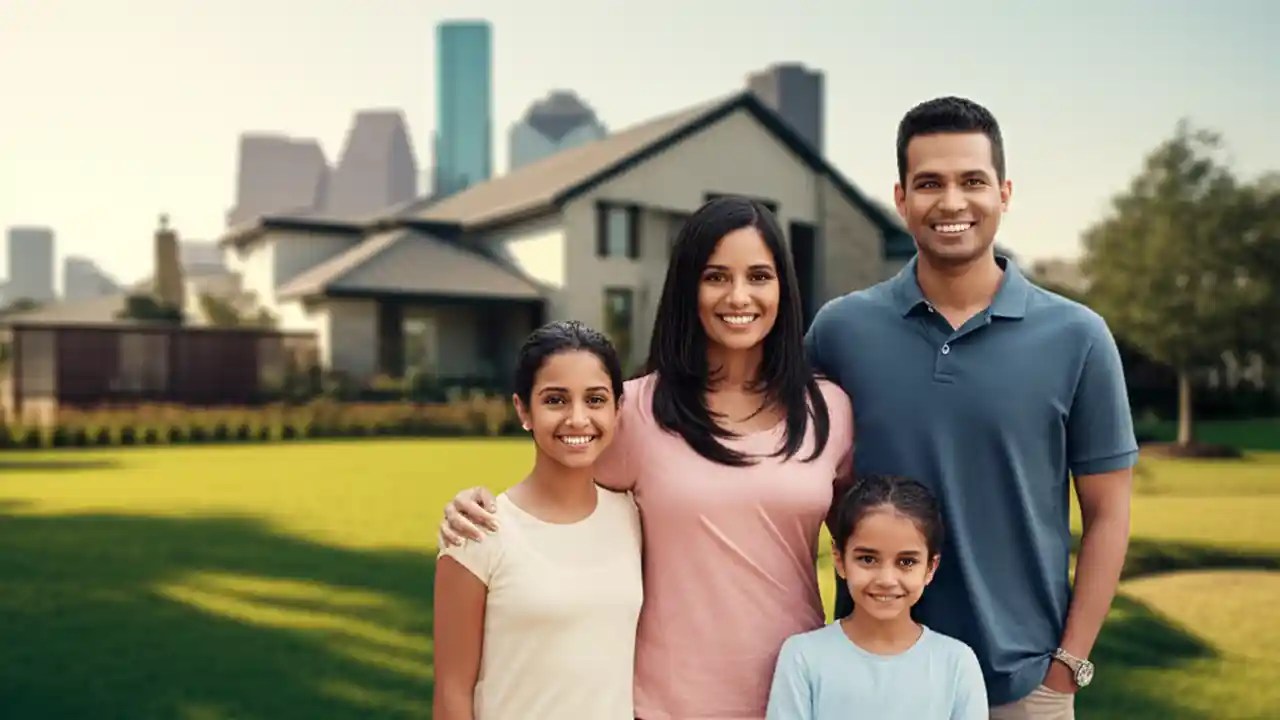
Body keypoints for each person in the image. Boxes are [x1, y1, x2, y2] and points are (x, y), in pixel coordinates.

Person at [437, 196, 855, 718]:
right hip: (663, 704)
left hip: (795, 699)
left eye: (759, 276)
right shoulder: (636, 410)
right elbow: (557, 506)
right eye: (716, 276)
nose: (739, 295)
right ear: (687, 288)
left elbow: (867, 543)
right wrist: (477, 508)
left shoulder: (829, 411)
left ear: (783, 289)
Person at [805, 96, 1137, 718]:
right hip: (867, 682)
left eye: (972, 181)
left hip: (1021, 687)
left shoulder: (1078, 337)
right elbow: (793, 473)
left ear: (1004, 193)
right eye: (929, 183)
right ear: (901, 199)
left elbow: (1109, 512)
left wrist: (1067, 668)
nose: (952, 202)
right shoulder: (840, 331)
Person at [431, 320, 643, 720]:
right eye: (555, 400)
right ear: (523, 410)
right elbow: (451, 695)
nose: (578, 419)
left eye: (595, 400)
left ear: (618, 408)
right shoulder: (476, 533)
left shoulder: (634, 517)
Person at [766, 474, 987, 719]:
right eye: (868, 559)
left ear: (930, 568)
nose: (886, 579)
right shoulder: (803, 657)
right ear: (839, 560)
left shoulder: (956, 663)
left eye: (906, 562)